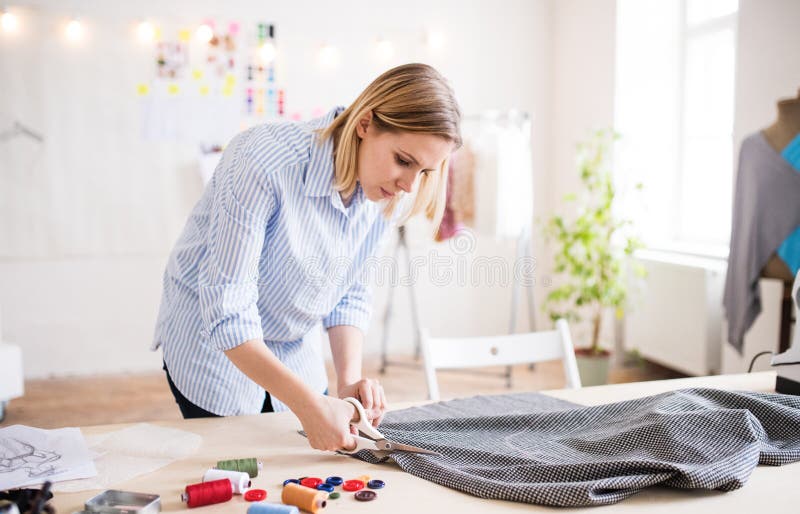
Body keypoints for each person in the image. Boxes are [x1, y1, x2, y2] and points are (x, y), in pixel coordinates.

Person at [151, 63, 462, 451]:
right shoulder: (261, 161)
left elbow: (349, 293)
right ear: (365, 123)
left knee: (297, 459)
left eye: (425, 172)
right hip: (211, 344)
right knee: (240, 462)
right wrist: (308, 404)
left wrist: (348, 382)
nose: (409, 185)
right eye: (403, 160)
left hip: (291, 341)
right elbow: (229, 311)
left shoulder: (389, 191)